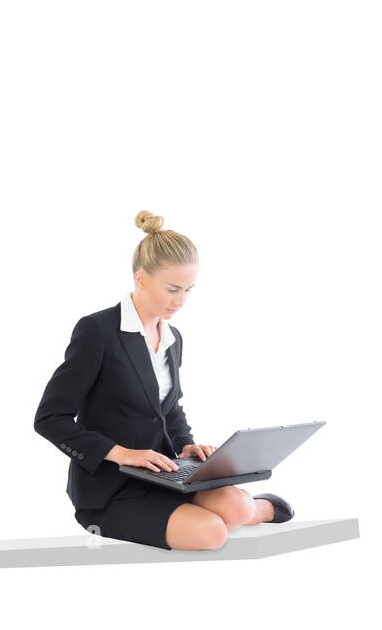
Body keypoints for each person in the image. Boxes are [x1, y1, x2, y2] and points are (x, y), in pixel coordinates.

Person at [34, 210, 295, 551]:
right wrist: (119, 453)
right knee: (212, 534)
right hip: (111, 487)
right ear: (141, 278)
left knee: (238, 508)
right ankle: (227, 514)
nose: (180, 301)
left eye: (188, 290)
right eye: (172, 289)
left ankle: (253, 510)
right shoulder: (97, 331)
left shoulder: (173, 338)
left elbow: (167, 408)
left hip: (165, 473)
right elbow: (50, 419)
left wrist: (187, 446)